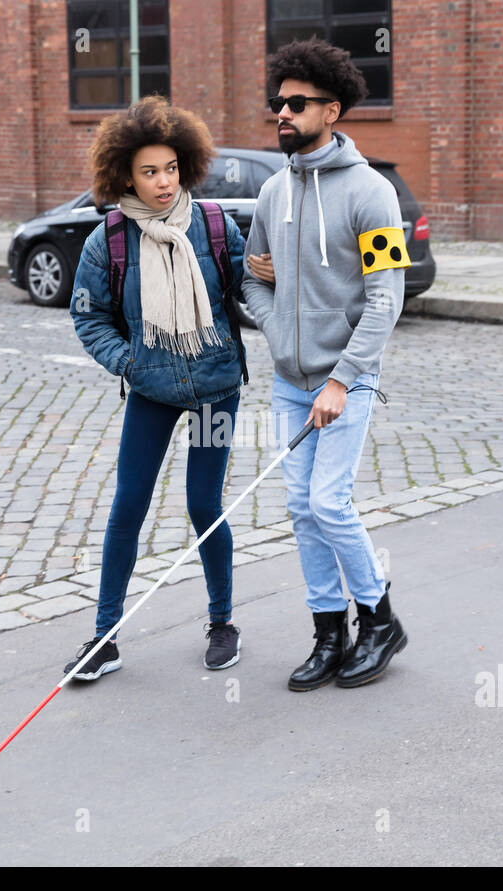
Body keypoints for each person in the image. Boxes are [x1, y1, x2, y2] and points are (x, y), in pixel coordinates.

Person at [242, 39, 410, 691]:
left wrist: (342, 379)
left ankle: (380, 620)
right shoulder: (269, 193)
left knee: (329, 502)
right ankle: (327, 635)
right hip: (290, 379)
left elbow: (386, 298)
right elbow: (250, 281)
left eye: (296, 103)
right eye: (276, 103)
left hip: (348, 379)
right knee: (301, 508)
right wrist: (278, 319)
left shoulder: (372, 193)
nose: (282, 112)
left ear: (332, 110)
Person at [67, 95, 246, 680]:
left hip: (216, 386)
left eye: (170, 168)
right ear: (126, 175)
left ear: (185, 166)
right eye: (149, 171)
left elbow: (250, 291)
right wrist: (132, 362)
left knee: (203, 504)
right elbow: (88, 316)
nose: (163, 182)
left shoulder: (215, 225)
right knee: (128, 507)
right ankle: (104, 639)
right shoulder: (109, 242)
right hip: (150, 390)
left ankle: (222, 623)